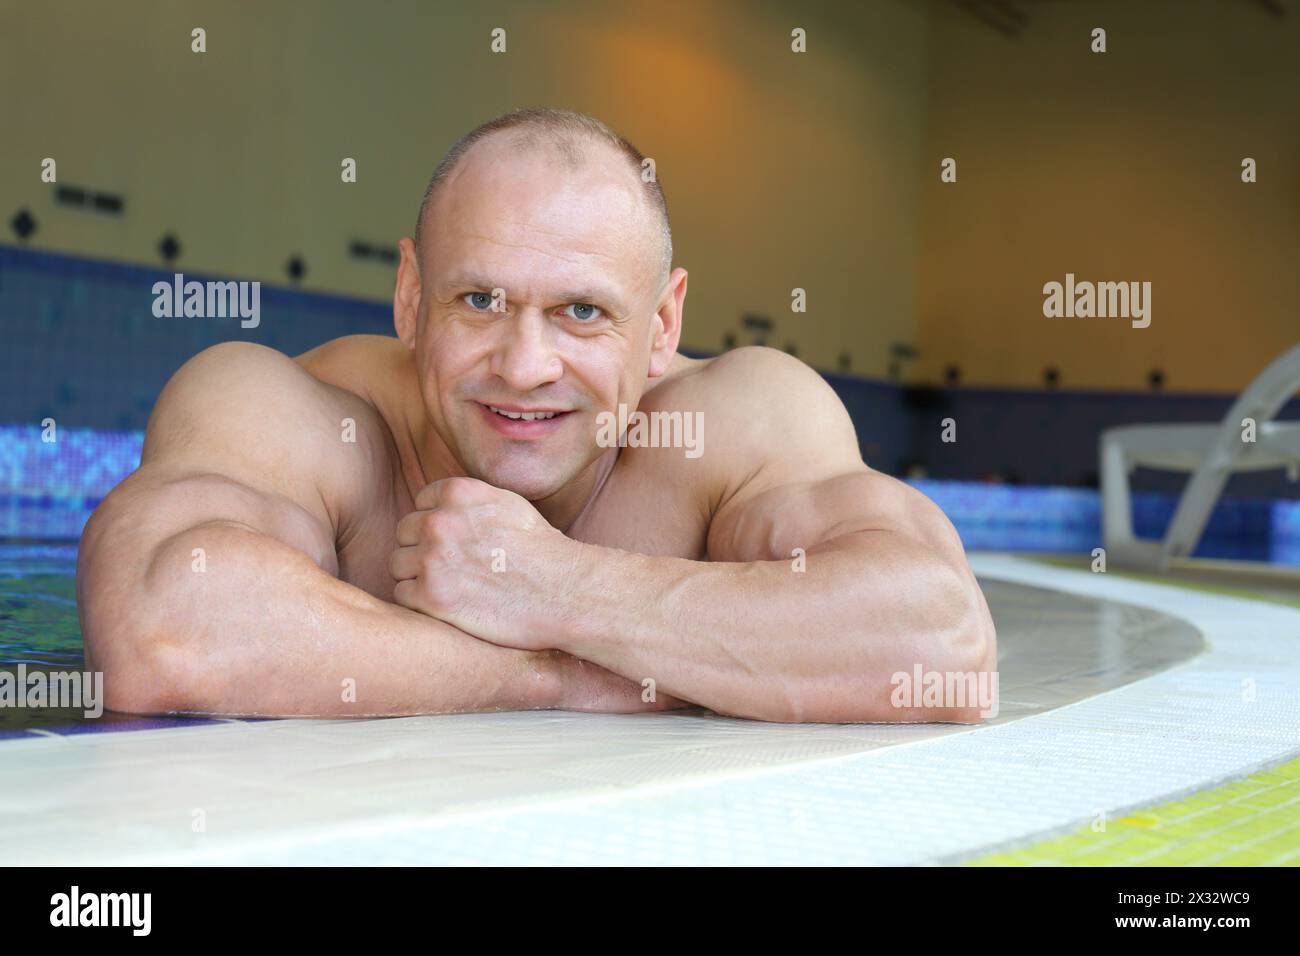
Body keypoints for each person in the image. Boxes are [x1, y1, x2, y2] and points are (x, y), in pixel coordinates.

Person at [77, 108, 996, 722]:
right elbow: (162, 632)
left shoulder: (737, 421)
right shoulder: (293, 411)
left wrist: (555, 587)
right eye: (478, 300)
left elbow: (942, 641)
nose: (524, 367)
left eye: (583, 312)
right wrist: (564, 675)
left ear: (663, 324)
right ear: (409, 295)